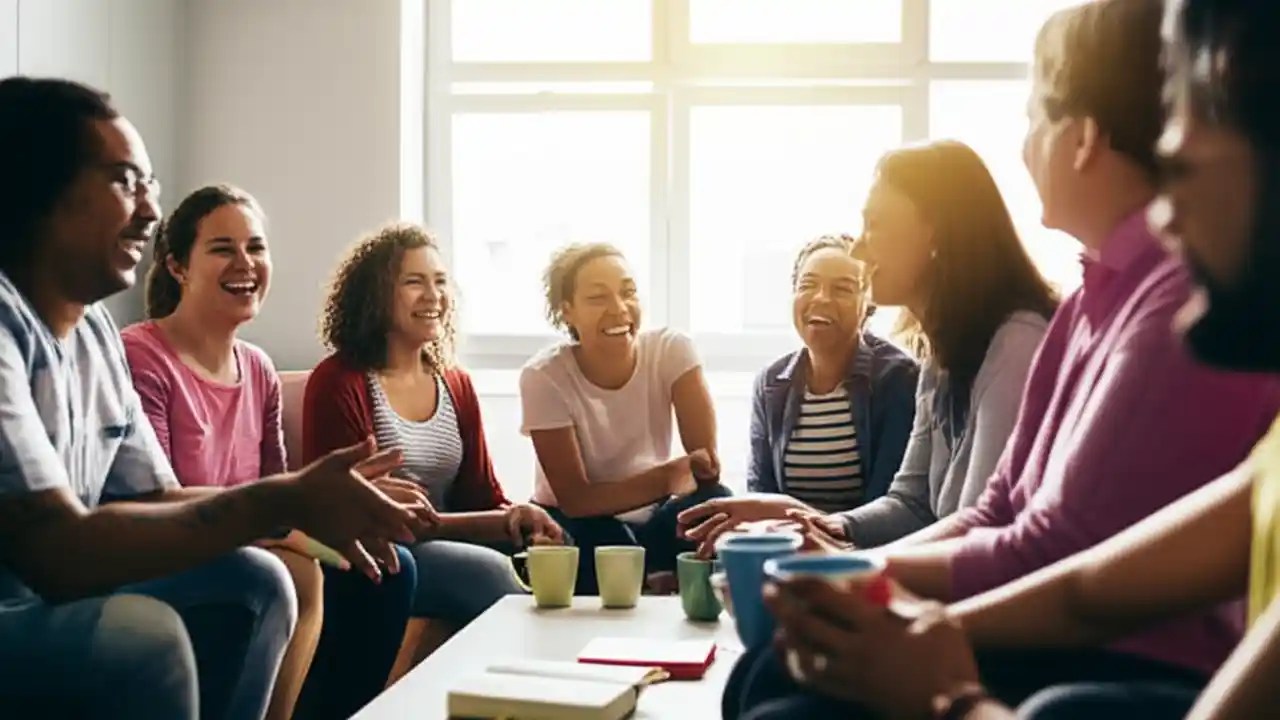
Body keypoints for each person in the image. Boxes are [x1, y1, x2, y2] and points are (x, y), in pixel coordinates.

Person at [722, 0, 1280, 716]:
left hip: (1119, 662)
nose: (1164, 199)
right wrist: (858, 585)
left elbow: (1054, 550)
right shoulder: (1080, 308)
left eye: (1185, 136)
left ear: (1081, 139)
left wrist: (935, 672)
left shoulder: (1136, 306)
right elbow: (1034, 541)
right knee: (770, 673)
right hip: (1066, 629)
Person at [0, 76, 424, 720]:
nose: (147, 212)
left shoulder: (94, 333)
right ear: (35, 188)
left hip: (59, 590)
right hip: (17, 606)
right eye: (123, 182)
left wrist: (306, 499)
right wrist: (284, 501)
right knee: (145, 642)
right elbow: (57, 552)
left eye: (151, 188)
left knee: (257, 581)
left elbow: (152, 498)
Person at [121, 186, 423, 720]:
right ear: (177, 266)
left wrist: (343, 506)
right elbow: (155, 497)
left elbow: (275, 482)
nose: (245, 263)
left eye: (256, 248)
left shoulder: (258, 367)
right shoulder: (142, 355)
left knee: (388, 565)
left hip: (255, 530)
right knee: (299, 574)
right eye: (222, 248)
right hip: (176, 539)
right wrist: (293, 507)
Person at [682, 143, 1056, 553]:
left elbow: (983, 531)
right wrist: (810, 524)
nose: (859, 249)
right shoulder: (941, 358)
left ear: (935, 232)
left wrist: (844, 560)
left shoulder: (1014, 346)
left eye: (873, 225)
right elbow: (911, 503)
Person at [304, 223, 564, 638]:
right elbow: (364, 514)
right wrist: (493, 525)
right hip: (385, 550)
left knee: (565, 547)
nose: (433, 296)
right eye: (413, 282)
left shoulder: (454, 382)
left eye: (440, 281)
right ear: (375, 295)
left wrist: (518, 517)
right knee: (490, 576)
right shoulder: (339, 381)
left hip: (439, 538)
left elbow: (482, 497)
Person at [519, 242, 730, 594]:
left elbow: (703, 469)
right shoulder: (543, 376)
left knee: (715, 503)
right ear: (567, 311)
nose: (619, 309)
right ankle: (654, 577)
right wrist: (666, 478)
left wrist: (685, 477)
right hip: (577, 518)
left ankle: (651, 577)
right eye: (598, 297)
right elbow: (576, 499)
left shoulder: (671, 349)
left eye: (628, 292)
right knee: (609, 542)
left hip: (656, 513)